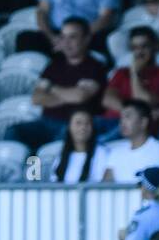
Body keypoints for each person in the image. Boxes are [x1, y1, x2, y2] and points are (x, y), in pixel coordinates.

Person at [9, 16, 106, 153]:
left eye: (72, 37)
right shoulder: (53, 66)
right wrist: (68, 95)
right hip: (46, 122)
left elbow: (79, 97)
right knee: (14, 131)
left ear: (86, 39)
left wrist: (50, 88)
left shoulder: (96, 67)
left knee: (58, 142)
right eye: (63, 37)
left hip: (74, 125)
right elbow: (36, 98)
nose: (66, 43)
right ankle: (32, 173)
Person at [99, 26, 159, 139]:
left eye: (144, 46)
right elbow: (107, 99)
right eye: (135, 47)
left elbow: (143, 102)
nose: (139, 52)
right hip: (109, 121)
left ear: (155, 47)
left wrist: (134, 73)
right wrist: (131, 113)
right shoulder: (121, 72)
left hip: (137, 129)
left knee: (94, 143)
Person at [101, 100, 159, 183]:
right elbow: (105, 185)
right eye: (121, 118)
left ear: (143, 122)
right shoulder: (116, 151)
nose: (122, 122)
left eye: (128, 117)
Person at [50, 108, 109, 183]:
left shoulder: (101, 152)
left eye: (87, 123)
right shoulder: (61, 155)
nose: (83, 127)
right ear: (69, 127)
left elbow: (100, 185)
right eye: (78, 123)